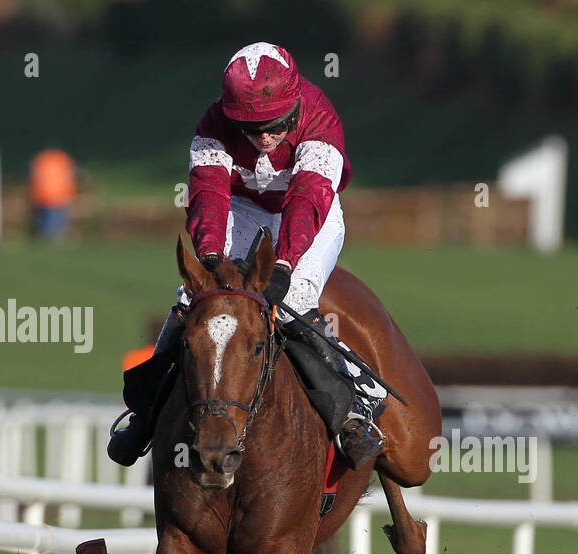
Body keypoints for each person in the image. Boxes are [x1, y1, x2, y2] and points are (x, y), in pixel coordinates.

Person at [108, 41, 386, 468]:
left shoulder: (320, 119)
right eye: (251, 130)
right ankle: (145, 414)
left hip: (312, 212)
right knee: (194, 299)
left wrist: (284, 263)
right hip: (244, 209)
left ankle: (351, 413)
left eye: (275, 126)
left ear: (294, 108)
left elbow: (308, 199)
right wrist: (210, 258)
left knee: (293, 300)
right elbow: (209, 196)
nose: (265, 138)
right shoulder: (213, 124)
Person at [29, 149, 77, 241]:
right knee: (56, 217)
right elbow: (69, 176)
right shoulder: (63, 160)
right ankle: (54, 237)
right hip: (60, 194)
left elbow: (34, 177)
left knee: (47, 217)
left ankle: (47, 235)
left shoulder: (41, 160)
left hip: (42, 194)